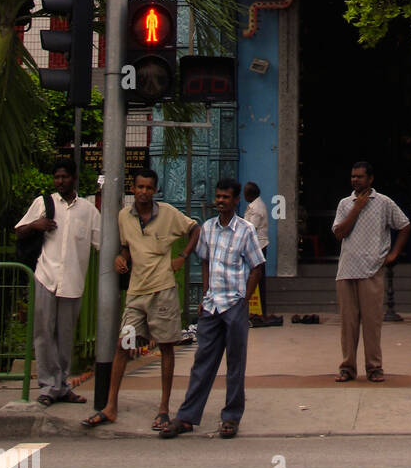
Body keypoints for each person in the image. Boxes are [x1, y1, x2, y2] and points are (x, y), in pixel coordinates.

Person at [82, 168, 199, 430]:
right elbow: (126, 246)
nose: (144, 192)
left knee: (166, 347)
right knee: (123, 345)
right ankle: (110, 406)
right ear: (132, 189)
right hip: (136, 293)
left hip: (163, 290)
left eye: (149, 188)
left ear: (155, 191)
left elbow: (195, 229)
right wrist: (121, 258)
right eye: (139, 187)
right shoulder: (125, 216)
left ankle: (163, 408)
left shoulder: (168, 213)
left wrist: (182, 257)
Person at [160, 180, 264, 439]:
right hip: (212, 306)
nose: (221, 201)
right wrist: (206, 292)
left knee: (235, 364)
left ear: (236, 200)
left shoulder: (246, 230)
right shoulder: (207, 229)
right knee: (202, 363)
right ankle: (187, 417)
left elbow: (256, 267)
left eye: (226, 197)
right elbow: (205, 261)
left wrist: (245, 298)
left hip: (233, 305)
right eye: (218, 197)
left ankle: (230, 417)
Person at [15, 158, 100, 407]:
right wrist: (36, 225)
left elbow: (102, 243)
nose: (60, 181)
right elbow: (19, 230)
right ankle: (48, 385)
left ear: (74, 178)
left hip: (72, 282)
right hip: (46, 276)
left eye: (64, 177)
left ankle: (62, 385)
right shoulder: (44, 203)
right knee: (43, 333)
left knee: (65, 336)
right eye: (57, 177)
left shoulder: (88, 211)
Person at [332, 161, 410, 383]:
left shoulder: (384, 203)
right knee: (348, 324)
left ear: (370, 179)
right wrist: (356, 208)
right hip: (347, 270)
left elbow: (404, 225)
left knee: (372, 322)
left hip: (372, 270)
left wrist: (394, 254)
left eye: (360, 177)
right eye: (353, 176)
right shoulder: (345, 204)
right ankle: (347, 367)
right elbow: (340, 233)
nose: (355, 180)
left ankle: (374, 368)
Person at [243, 181, 279, 326]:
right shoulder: (255, 205)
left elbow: (250, 228)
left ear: (250, 194)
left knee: (258, 278)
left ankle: (260, 312)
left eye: (245, 192)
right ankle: (255, 311)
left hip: (258, 246)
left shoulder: (256, 208)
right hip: (256, 246)